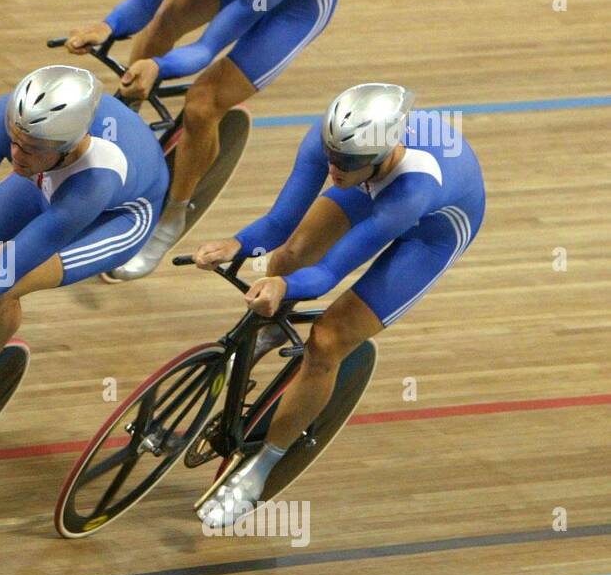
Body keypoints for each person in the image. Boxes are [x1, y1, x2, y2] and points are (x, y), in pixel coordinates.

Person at [191, 83, 486, 527]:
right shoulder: (340, 147)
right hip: (373, 185)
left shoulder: (411, 190)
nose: (333, 168)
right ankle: (272, 327)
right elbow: (279, 222)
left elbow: (330, 274)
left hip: (432, 232)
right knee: (288, 256)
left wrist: (284, 289)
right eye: (331, 155)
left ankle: (261, 469)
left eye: (345, 162)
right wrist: (237, 243)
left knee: (327, 341)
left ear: (383, 152)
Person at [64, 0, 343, 280]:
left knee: (203, 102)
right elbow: (145, 2)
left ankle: (170, 219)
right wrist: (109, 25)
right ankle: (124, 134)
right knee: (163, 23)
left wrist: (158, 67)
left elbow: (209, 48)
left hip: (296, 1)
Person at [0, 65, 168, 449]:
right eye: (14, 140)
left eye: (30, 148)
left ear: (69, 143)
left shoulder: (96, 180)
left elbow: (3, 271)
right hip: (45, 179)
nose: (15, 153)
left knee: (0, 291)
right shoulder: (18, 123)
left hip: (117, 218)